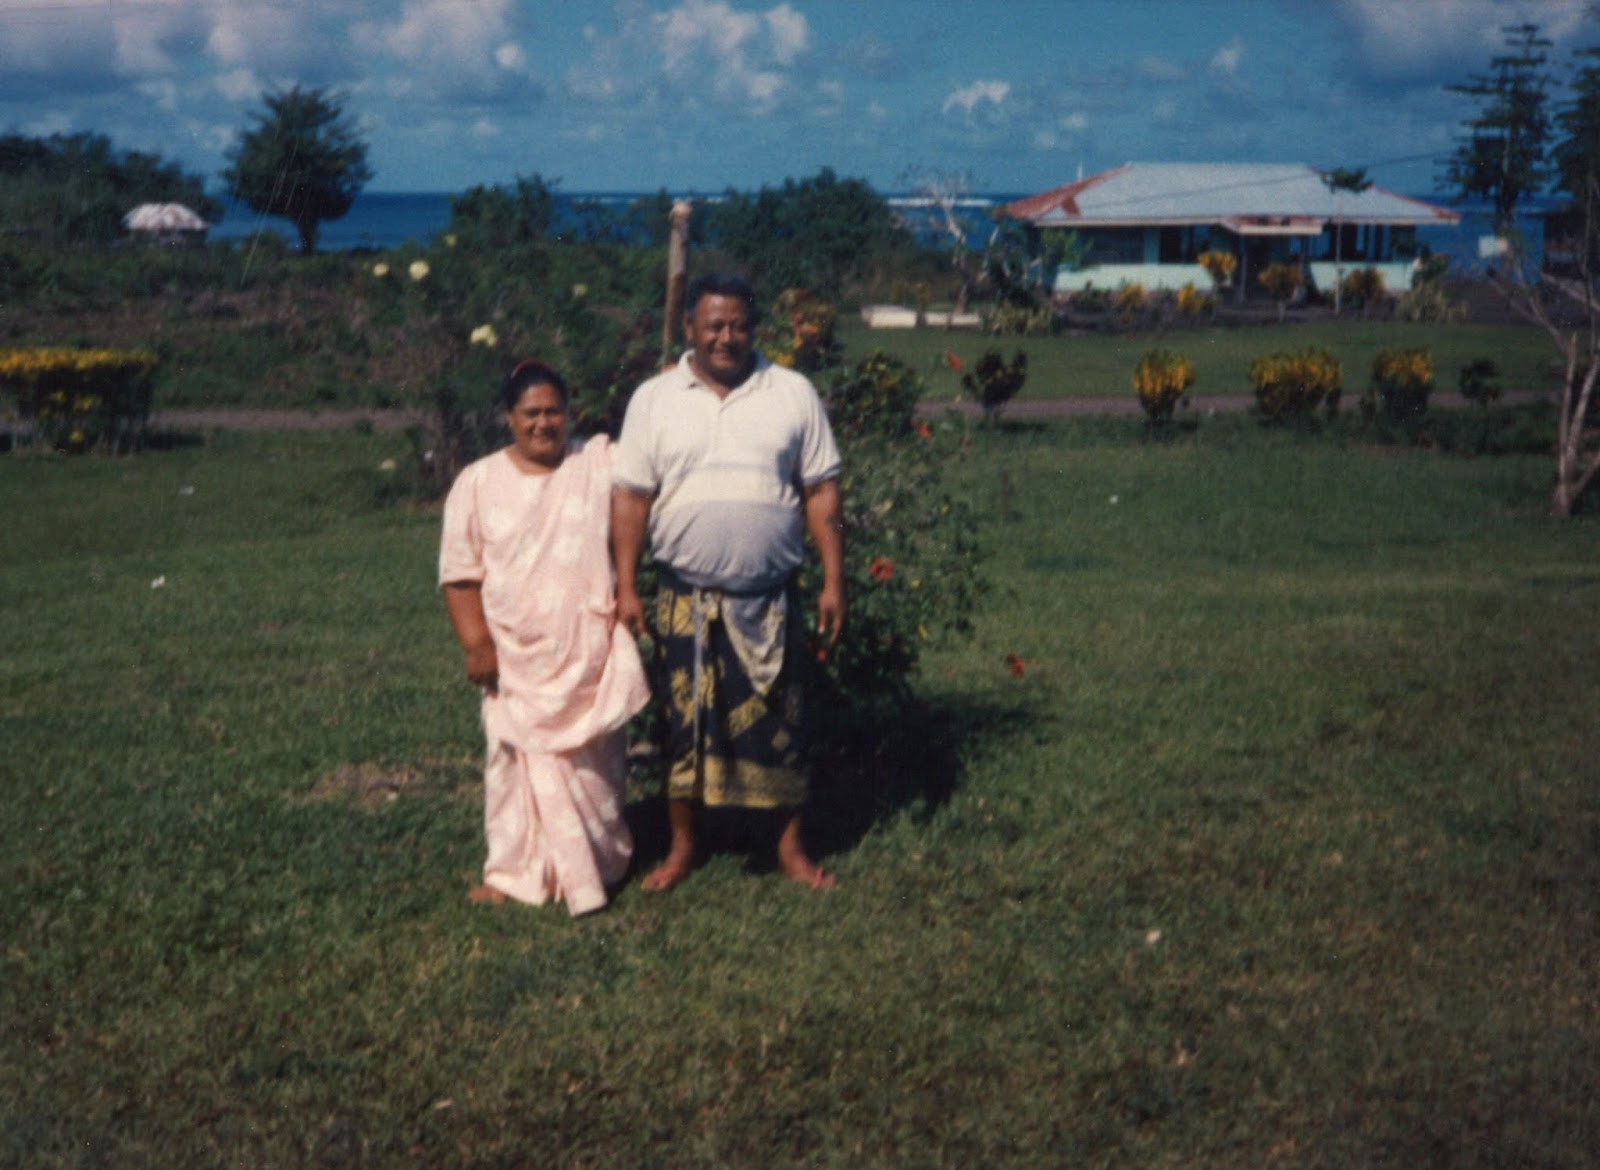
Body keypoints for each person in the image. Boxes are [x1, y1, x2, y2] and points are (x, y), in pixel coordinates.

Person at [611, 273, 846, 892]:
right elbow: (632, 497)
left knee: (783, 727)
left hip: (771, 598)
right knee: (682, 730)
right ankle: (683, 850)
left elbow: (821, 489)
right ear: (690, 325)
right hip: (684, 596)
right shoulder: (653, 399)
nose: (726, 337)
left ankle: (790, 851)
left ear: (755, 326)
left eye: (738, 324)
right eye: (713, 324)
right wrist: (627, 587)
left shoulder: (791, 392)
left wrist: (834, 581)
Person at [439, 359, 650, 915]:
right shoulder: (479, 481)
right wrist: (476, 644)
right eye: (531, 413)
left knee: (593, 766)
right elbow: (459, 573)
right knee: (513, 768)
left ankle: (597, 864)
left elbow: (646, 474)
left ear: (570, 413)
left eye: (554, 411)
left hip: (585, 650)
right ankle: (513, 873)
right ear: (509, 418)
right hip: (514, 656)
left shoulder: (597, 461)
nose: (543, 423)